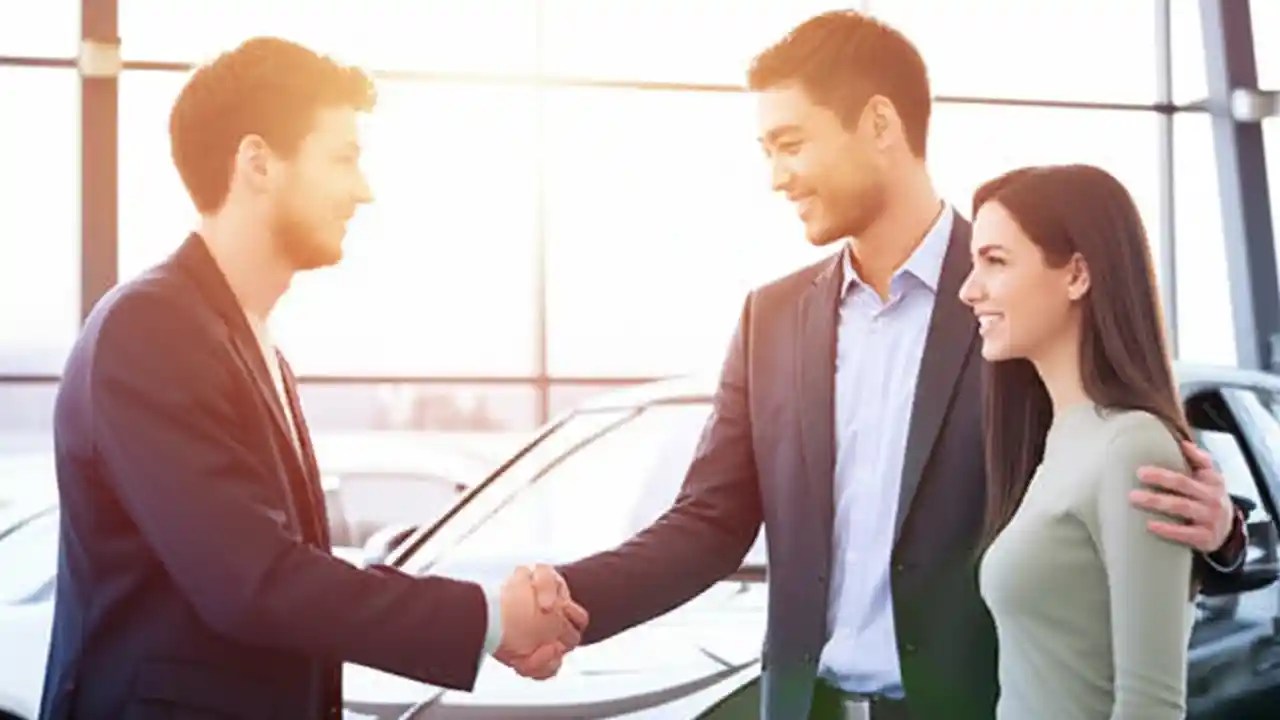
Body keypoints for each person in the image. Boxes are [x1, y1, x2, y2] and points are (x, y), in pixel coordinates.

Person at [522, 11, 1246, 720]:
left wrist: (1221, 536)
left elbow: (1111, 460)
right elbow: (707, 524)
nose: (778, 176)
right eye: (766, 151)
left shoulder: (1016, 301)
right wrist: (567, 599)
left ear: (877, 124)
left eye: (791, 143)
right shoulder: (769, 321)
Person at [39, 37, 584, 719]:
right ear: (258, 163)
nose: (363, 189)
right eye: (343, 157)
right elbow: (256, 582)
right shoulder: (151, 330)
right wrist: (488, 621)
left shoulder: (245, 339)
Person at [961, 164, 1198, 718]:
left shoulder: (1130, 447)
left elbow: (1151, 707)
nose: (969, 290)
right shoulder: (1056, 437)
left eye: (995, 261)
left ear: (1076, 276)